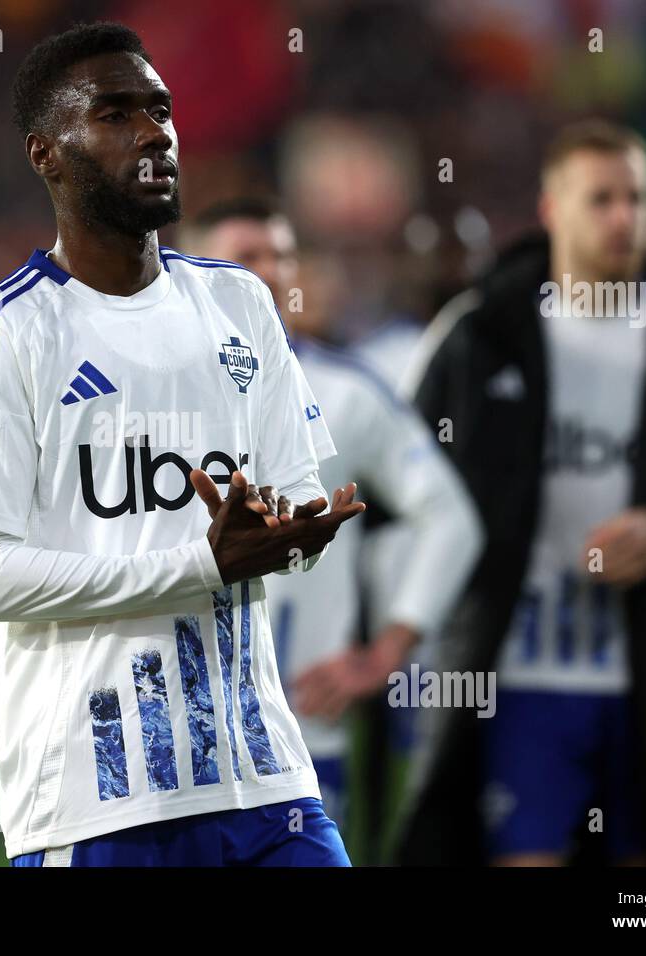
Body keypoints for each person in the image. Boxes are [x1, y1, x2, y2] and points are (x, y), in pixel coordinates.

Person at [0, 22, 365, 867]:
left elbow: (281, 512)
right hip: (95, 802)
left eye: (160, 110)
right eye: (115, 114)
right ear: (45, 154)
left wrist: (297, 534)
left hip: (264, 776)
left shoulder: (240, 305)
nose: (154, 132)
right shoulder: (1, 334)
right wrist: (200, 564)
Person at [394, 119, 646, 866]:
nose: (623, 217)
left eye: (637, 198)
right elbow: (402, 479)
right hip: (517, 676)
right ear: (551, 209)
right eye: (600, 198)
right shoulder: (479, 336)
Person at [183, 198, 482, 829]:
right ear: (192, 268)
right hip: (174, 741)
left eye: (281, 256)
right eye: (246, 257)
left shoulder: (346, 394)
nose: (269, 272)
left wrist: (386, 651)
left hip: (304, 738)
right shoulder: (145, 393)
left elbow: (451, 517)